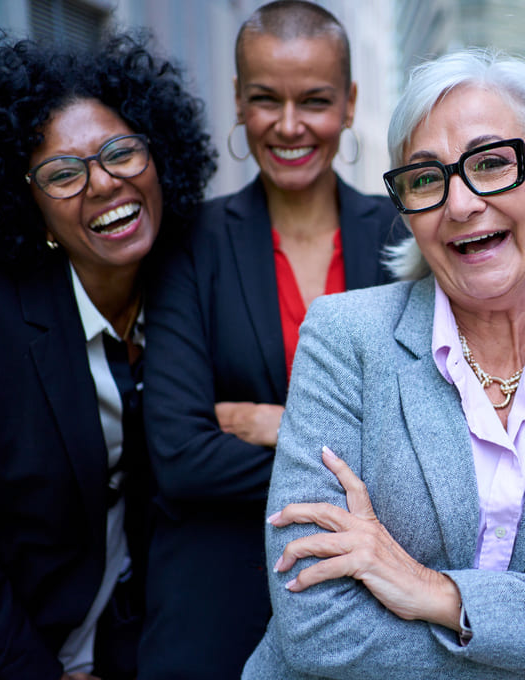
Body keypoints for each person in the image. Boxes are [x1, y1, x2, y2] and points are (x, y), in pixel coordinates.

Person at [240, 49, 525, 680]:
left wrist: (437, 595)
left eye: (490, 164)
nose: (459, 204)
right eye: (427, 179)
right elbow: (317, 629)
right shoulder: (344, 336)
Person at [140, 2, 404, 677]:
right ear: (237, 101)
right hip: (215, 606)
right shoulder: (188, 244)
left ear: (349, 103)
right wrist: (363, 459)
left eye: (314, 101)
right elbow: (180, 458)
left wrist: (274, 424)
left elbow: (439, 442)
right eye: (266, 100)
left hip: (373, 612)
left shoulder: (405, 243)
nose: (289, 126)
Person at [0, 34, 214, 680]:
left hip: (152, 645)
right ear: (32, 207)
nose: (104, 183)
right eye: (65, 174)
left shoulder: (194, 289)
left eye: (121, 152)